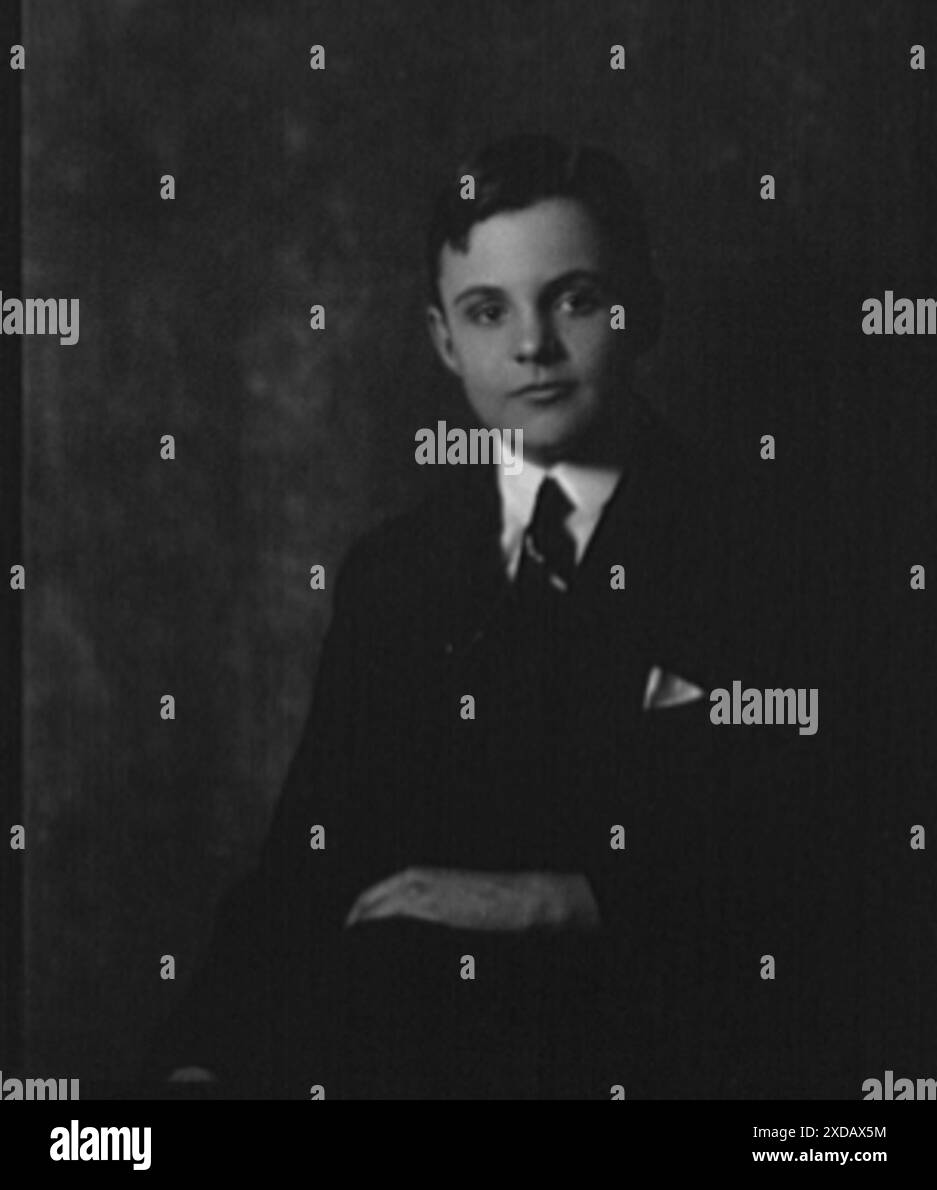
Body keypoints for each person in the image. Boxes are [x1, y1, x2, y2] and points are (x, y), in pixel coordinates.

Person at [143, 133, 860, 1099]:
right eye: (488, 311)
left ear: (640, 308)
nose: (532, 345)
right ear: (444, 340)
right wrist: (204, 1060)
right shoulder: (394, 574)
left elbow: (817, 871)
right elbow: (308, 863)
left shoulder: (765, 554)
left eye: (573, 298)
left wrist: (554, 902)